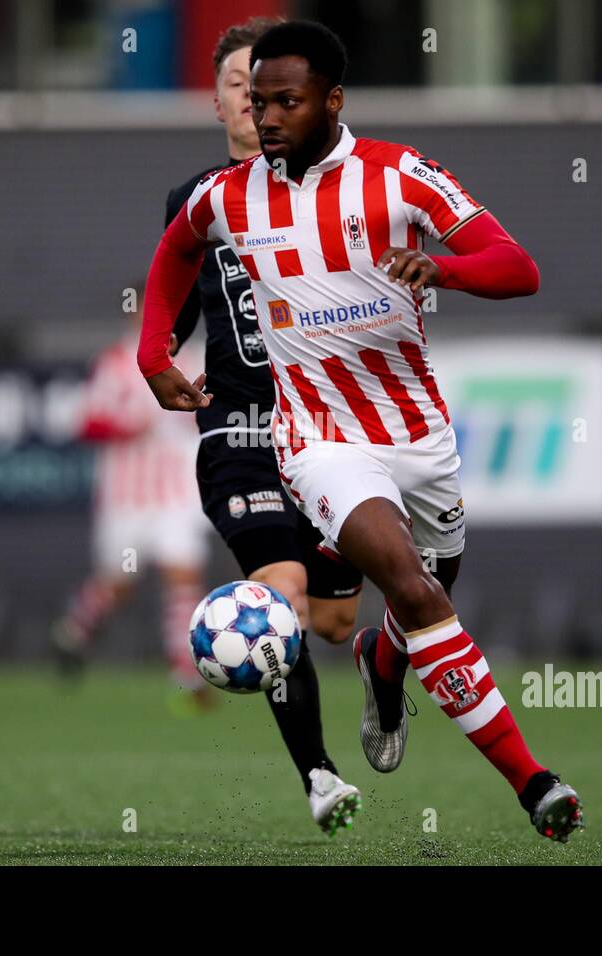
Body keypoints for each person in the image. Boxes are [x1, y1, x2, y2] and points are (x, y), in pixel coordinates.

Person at [138, 20, 582, 842]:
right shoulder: (225, 196)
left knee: (406, 605)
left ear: (332, 100)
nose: (266, 117)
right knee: (417, 590)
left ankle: (386, 663)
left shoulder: (400, 174)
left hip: (417, 435)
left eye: (284, 101)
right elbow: (174, 252)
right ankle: (534, 784)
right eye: (255, 99)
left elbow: (518, 267)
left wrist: (441, 267)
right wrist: (151, 352)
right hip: (313, 439)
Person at [159, 16, 366, 836]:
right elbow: (168, 313)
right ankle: (318, 775)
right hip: (239, 435)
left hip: (328, 429)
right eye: (240, 88)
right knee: (278, 599)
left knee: (335, 620)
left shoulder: (335, 188)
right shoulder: (198, 200)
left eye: (270, 88)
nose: (256, 103)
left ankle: (378, 675)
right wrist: (163, 363)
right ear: (218, 104)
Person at [53, 297, 213, 713]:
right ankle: (77, 629)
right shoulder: (117, 363)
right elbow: (86, 421)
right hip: (128, 497)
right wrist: (132, 422)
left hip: (179, 494)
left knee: (182, 573)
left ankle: (186, 674)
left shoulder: (195, 358)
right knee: (118, 583)